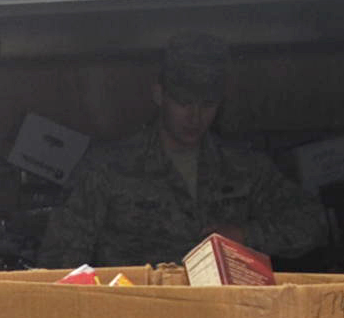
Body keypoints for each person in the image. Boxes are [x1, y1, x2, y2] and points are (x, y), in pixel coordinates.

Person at [37, 32, 326, 270]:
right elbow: (60, 260)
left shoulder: (244, 167)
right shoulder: (107, 169)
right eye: (184, 102)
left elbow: (311, 223)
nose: (195, 116)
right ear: (160, 95)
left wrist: (245, 235)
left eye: (207, 105)